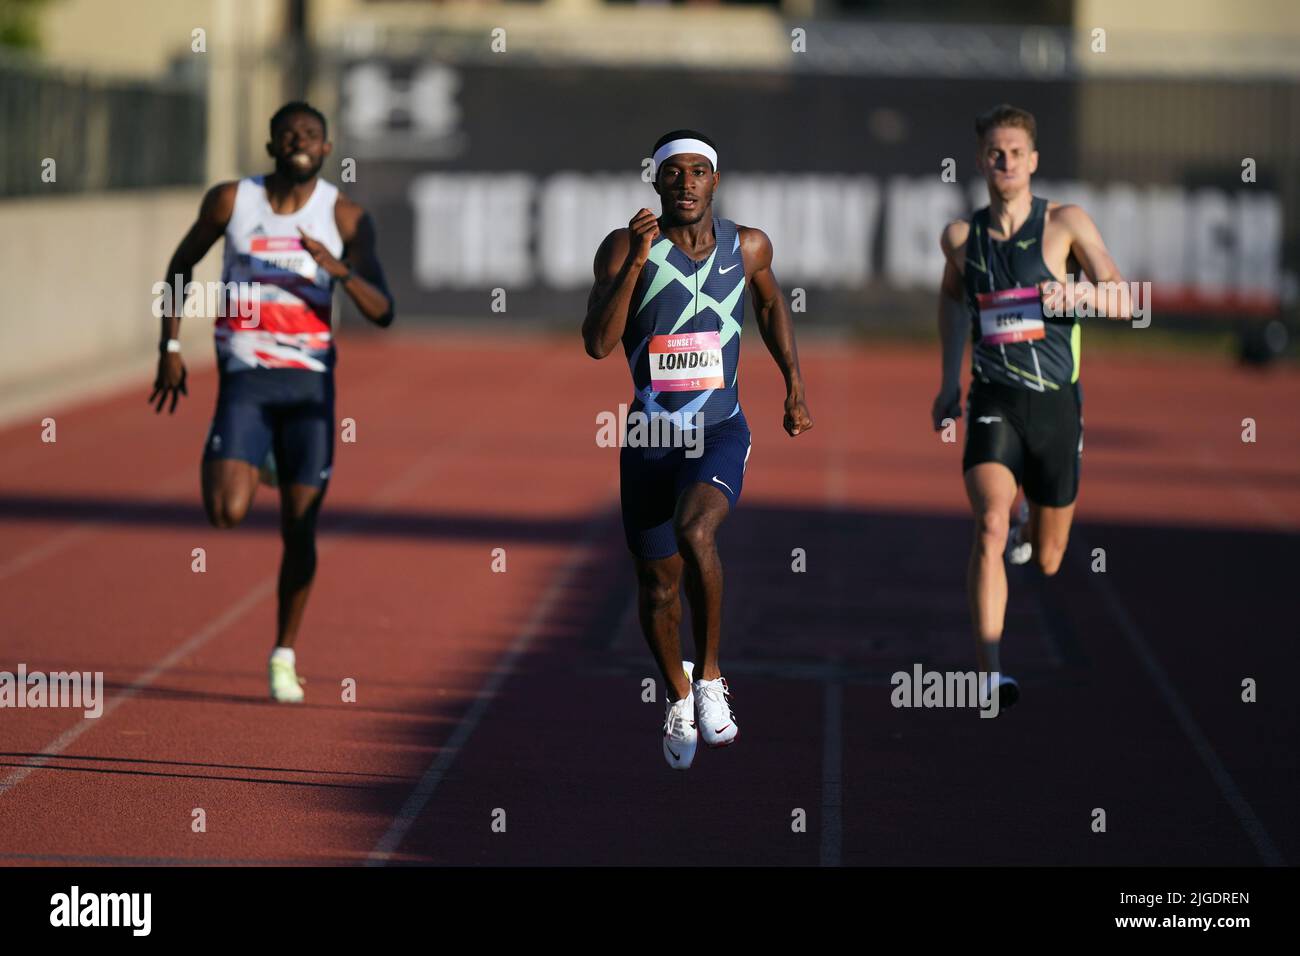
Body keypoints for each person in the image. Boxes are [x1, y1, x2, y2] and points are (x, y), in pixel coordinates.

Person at [150, 101, 395, 702]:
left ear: (328, 148)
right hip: (246, 379)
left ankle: (284, 652)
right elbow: (182, 263)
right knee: (224, 512)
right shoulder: (233, 201)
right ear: (271, 144)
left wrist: (337, 269)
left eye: (311, 134)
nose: (299, 141)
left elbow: (384, 310)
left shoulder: (344, 214)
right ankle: (259, 459)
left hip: (308, 387)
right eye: (288, 133)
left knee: (299, 526)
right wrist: (171, 343)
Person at [582, 130, 813, 768]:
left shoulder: (749, 245)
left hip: (719, 428)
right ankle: (677, 693)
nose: (687, 183)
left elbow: (770, 305)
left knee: (697, 533)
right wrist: (635, 262)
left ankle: (710, 676)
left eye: (699, 172)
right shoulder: (624, 246)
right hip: (650, 436)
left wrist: (794, 384)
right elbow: (599, 344)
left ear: (716, 180)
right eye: (674, 173)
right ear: (655, 183)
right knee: (657, 588)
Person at [932, 104, 1132, 709]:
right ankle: (989, 672)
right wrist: (948, 380)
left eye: (1016, 151)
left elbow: (1124, 300)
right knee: (989, 523)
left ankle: (1029, 524)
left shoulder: (1066, 224)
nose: (1006, 161)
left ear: (1034, 161)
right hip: (993, 400)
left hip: (1055, 409)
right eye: (996, 151)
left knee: (1047, 560)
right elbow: (949, 300)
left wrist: (1077, 293)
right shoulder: (961, 238)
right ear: (980, 160)